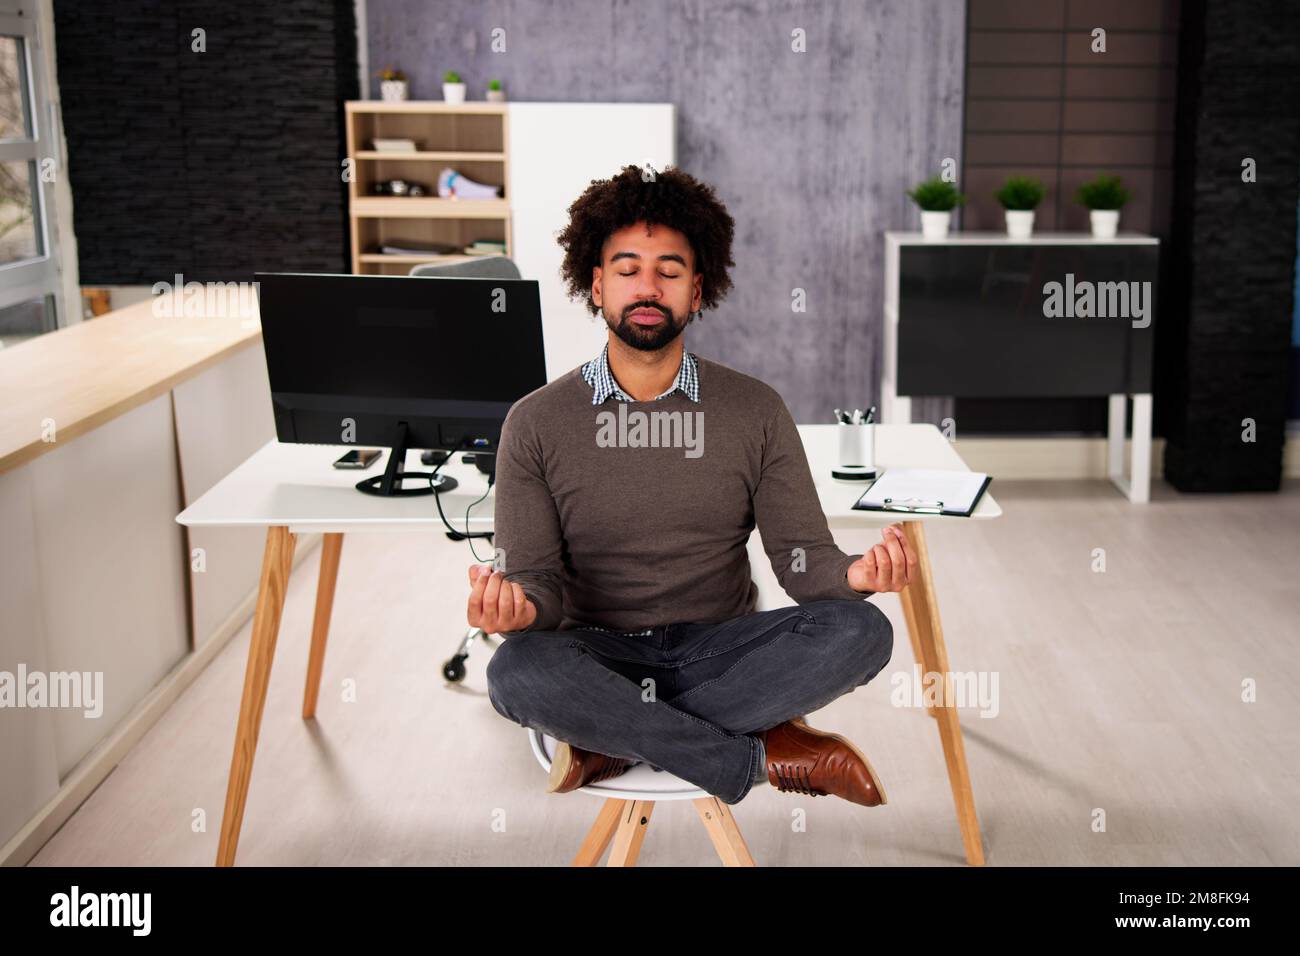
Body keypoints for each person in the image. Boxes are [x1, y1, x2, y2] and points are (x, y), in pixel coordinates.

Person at [469, 164, 916, 807]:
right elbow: (536, 584)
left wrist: (857, 575)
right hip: (599, 653)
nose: (647, 287)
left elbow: (804, 562)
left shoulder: (755, 409)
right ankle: (755, 756)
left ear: (697, 290)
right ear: (596, 286)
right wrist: (515, 610)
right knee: (516, 672)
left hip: (722, 648)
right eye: (626, 269)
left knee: (862, 631)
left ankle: (608, 739)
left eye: (669, 271)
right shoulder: (535, 421)